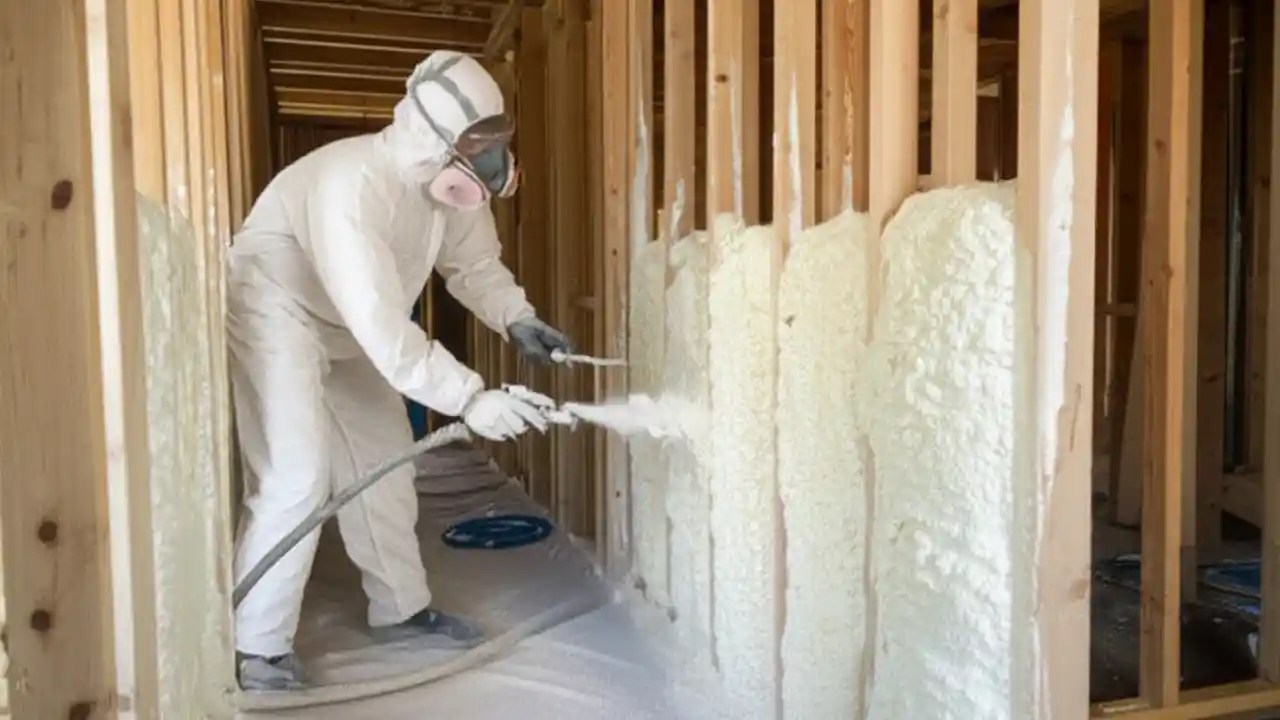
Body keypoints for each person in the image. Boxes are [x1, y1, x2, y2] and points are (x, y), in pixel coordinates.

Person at [225, 50, 573, 691]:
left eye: (495, 144)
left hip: (355, 326)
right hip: (279, 305)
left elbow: (475, 266)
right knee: (297, 473)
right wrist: (470, 397)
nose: (490, 162)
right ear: (434, 139)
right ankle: (257, 647)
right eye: (478, 147)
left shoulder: (449, 189)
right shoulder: (353, 186)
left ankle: (401, 609)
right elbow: (382, 325)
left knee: (385, 460)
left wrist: (516, 317)